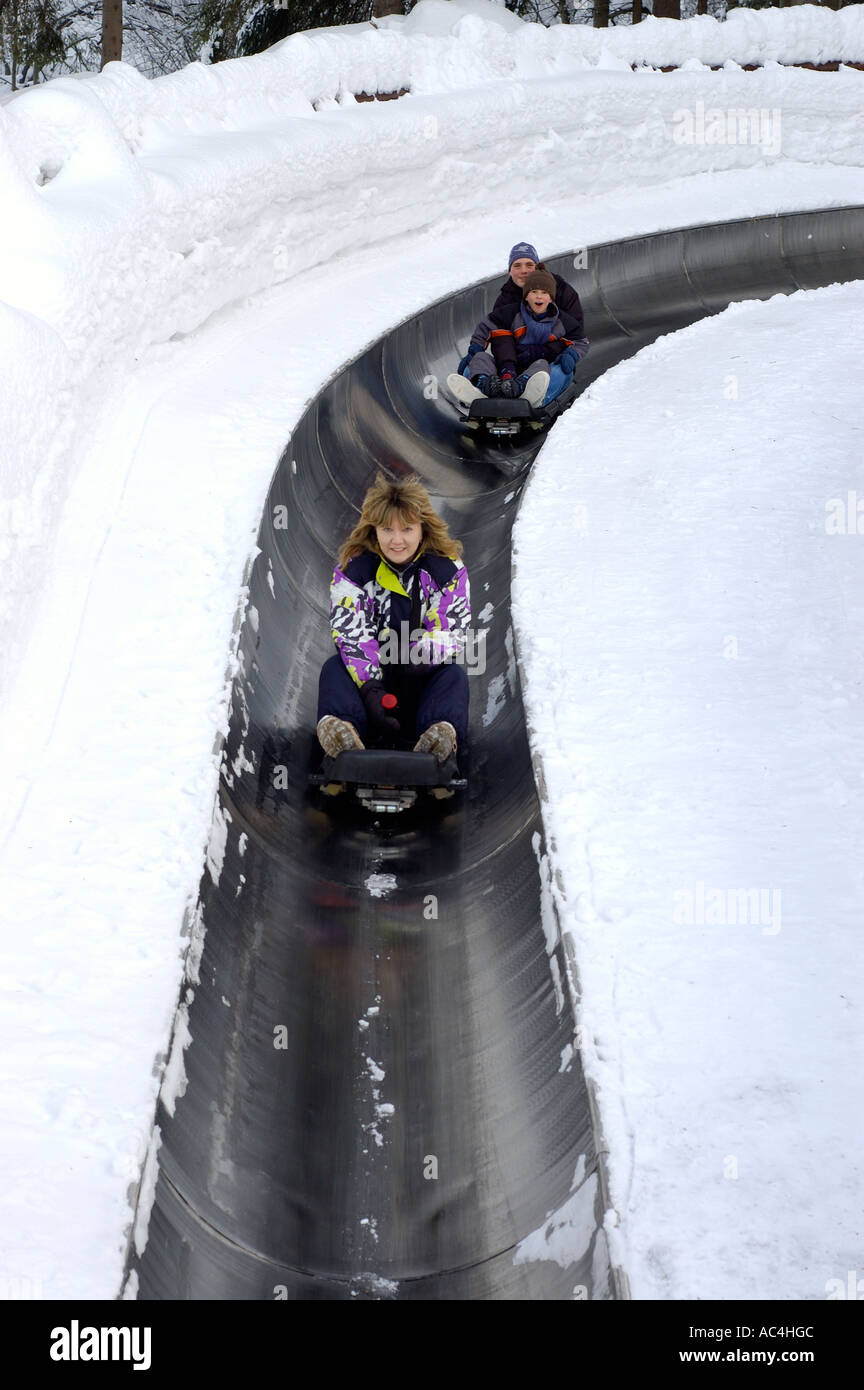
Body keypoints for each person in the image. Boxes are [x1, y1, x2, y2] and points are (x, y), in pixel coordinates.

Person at [316, 472, 470, 765]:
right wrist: (371, 688)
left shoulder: (445, 571)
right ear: (374, 531)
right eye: (387, 530)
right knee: (334, 668)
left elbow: (451, 628)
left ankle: (438, 739)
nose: (396, 540)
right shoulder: (356, 571)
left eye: (407, 530)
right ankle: (343, 733)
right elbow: (351, 634)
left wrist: (419, 662)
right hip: (372, 689)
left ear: (422, 529)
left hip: (421, 680)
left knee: (454, 677)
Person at [448, 267, 589, 408]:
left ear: (551, 298)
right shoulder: (511, 314)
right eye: (534, 292)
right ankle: (481, 389)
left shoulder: (562, 321)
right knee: (478, 359)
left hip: (538, 371)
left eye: (544, 293)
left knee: (558, 369)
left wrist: (571, 354)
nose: (539, 297)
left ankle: (534, 397)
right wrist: (475, 349)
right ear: (526, 296)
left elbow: (581, 341)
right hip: (508, 369)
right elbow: (485, 327)